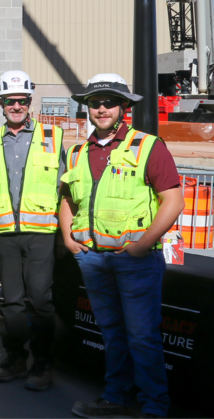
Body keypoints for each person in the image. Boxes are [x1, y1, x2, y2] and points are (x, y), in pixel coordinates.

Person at [60, 74, 183, 419]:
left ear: (124, 107)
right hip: (93, 259)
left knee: (142, 336)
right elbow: (67, 198)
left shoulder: (148, 146)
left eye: (110, 102)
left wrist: (142, 246)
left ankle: (154, 407)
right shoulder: (76, 152)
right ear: (87, 107)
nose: (102, 108)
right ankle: (117, 396)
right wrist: (68, 238)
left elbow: (173, 202)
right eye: (95, 102)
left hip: (135, 261)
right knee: (112, 333)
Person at [0, 70, 63, 391]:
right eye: (10, 101)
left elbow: (61, 189)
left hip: (41, 234)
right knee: (11, 300)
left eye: (21, 100)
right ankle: (14, 357)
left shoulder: (52, 137)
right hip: (3, 234)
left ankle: (41, 362)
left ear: (30, 101)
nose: (16, 106)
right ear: (1, 102)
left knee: (40, 300)